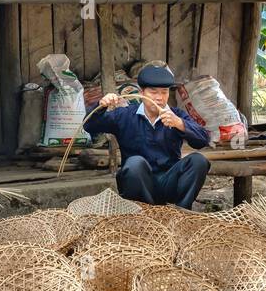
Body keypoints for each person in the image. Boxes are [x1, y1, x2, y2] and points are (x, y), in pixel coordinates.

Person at [84, 64, 211, 209]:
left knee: (198, 160)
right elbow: (89, 125)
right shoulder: (125, 115)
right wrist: (101, 106)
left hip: (169, 183)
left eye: (164, 92)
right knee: (134, 163)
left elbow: (203, 140)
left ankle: (182, 213)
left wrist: (180, 124)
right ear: (142, 92)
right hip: (137, 185)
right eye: (153, 92)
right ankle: (146, 215)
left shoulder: (176, 116)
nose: (159, 98)